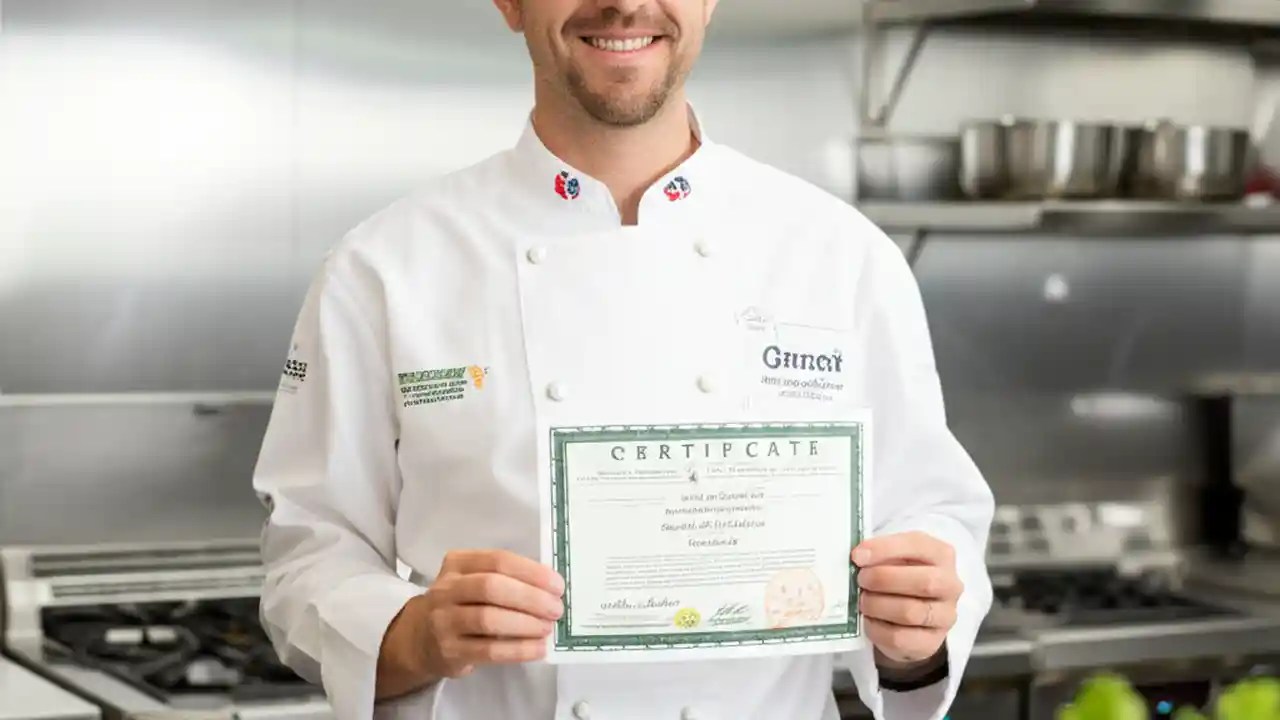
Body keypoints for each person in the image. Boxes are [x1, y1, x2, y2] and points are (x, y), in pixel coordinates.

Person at [251, 1, 995, 718]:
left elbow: (931, 512)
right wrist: (415, 634)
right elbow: (309, 552)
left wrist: (917, 627)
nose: (625, 3)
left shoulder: (842, 254)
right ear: (508, 2)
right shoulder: (384, 268)